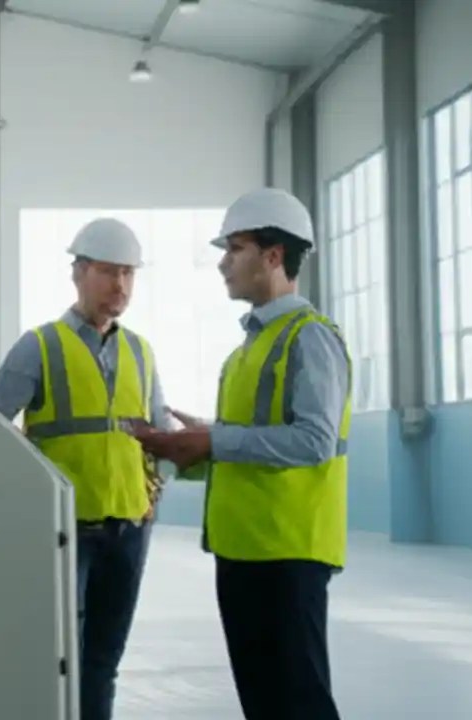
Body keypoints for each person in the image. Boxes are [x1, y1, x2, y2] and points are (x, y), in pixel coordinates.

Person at [134, 188, 350, 720]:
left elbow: (314, 440)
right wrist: (189, 446)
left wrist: (213, 439)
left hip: (288, 553)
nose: (223, 263)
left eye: (234, 249)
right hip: (243, 550)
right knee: (266, 705)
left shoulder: (310, 338)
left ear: (273, 256)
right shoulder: (245, 350)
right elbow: (246, 444)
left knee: (299, 705)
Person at [0, 217, 170, 720]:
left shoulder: (141, 352)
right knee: (58, 659)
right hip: (66, 531)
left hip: (129, 528)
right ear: (78, 273)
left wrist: (157, 491)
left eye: (129, 274)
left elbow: (160, 435)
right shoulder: (39, 347)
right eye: (109, 272)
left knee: (104, 661)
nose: (120, 285)